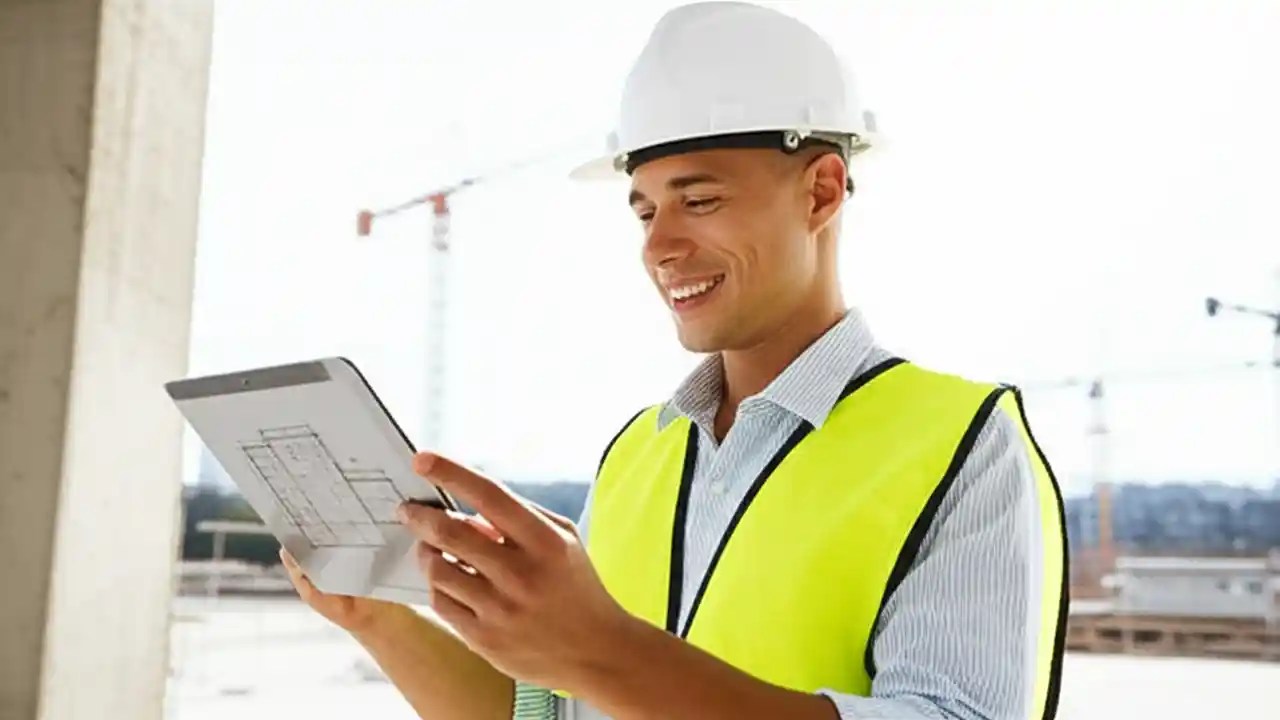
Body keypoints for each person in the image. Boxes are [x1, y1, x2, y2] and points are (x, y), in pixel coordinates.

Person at [281, 3, 1069, 719]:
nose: (659, 246)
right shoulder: (638, 457)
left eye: (699, 202)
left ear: (822, 192)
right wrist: (376, 618)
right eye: (646, 211)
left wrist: (605, 649)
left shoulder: (962, 443)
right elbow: (547, 715)